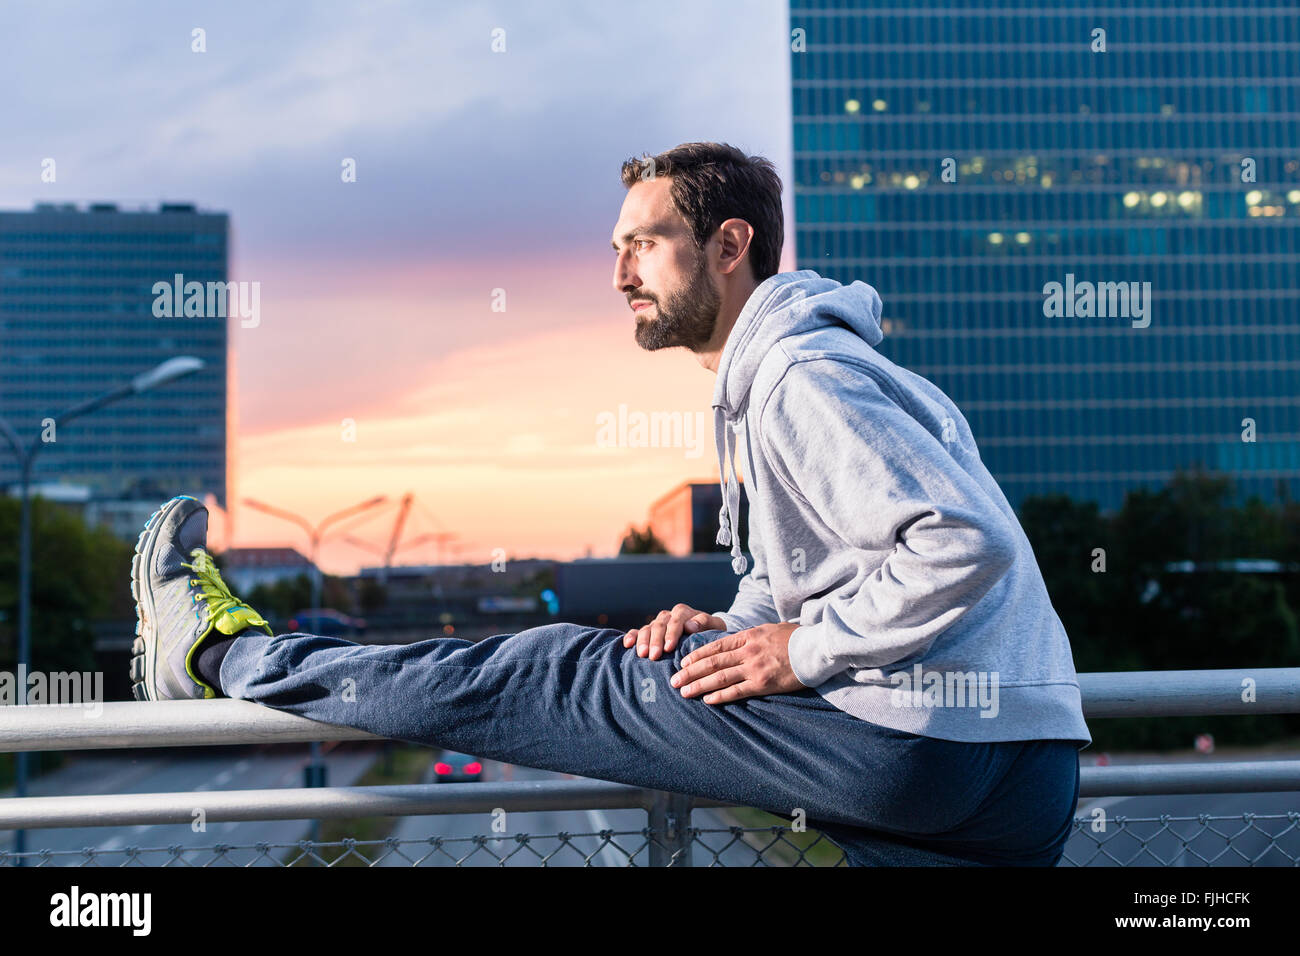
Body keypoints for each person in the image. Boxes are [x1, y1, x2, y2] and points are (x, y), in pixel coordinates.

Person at [129, 142, 1091, 866]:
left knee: (545, 669)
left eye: (645, 243)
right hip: (1028, 765)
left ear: (729, 245)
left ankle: (216, 652)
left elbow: (963, 543)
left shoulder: (800, 371)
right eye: (616, 247)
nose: (620, 271)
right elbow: (811, 574)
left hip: (915, 743)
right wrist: (736, 626)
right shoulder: (795, 376)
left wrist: (798, 650)